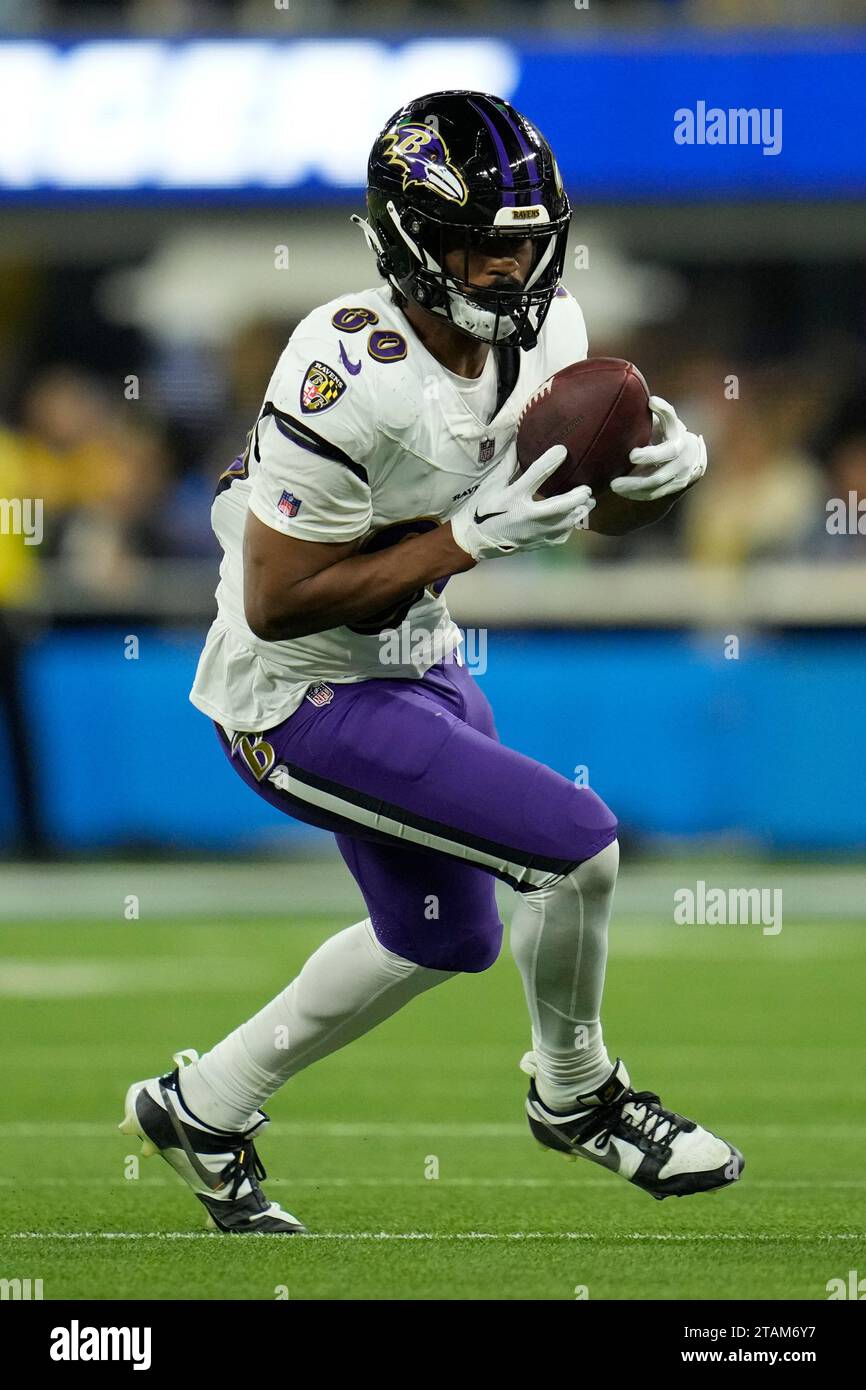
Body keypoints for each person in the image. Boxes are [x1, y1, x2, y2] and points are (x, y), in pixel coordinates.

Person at [119, 91, 741, 1233]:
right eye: (481, 248)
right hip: (294, 687)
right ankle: (578, 1095)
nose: (512, 271)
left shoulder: (549, 335)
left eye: (526, 244)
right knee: (575, 849)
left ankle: (200, 1107)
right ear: (411, 243)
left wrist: (654, 480)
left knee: (444, 934)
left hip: (412, 654)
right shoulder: (346, 368)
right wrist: (464, 540)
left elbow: (573, 514)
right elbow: (275, 598)